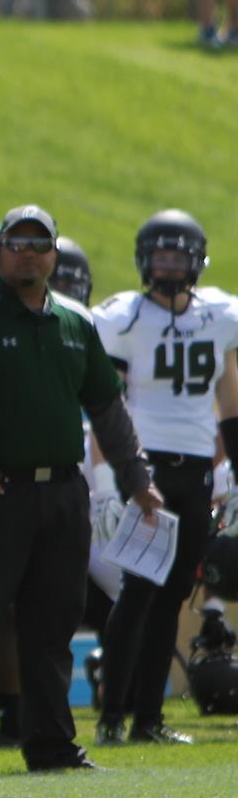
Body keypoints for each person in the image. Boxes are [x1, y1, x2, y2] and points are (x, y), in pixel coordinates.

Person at [0, 206, 165, 774]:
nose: (27, 254)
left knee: (54, 622)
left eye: (38, 245)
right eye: (15, 244)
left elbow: (106, 407)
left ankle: (51, 744)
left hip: (62, 490)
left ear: (54, 255)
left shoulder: (74, 321)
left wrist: (138, 479)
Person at [90, 211, 238, 745]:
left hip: (197, 468)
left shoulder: (220, 315)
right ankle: (112, 715)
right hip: (145, 466)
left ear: (197, 261)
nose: (168, 266)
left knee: (173, 595)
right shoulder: (124, 318)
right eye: (160, 257)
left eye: (178, 257)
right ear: (142, 260)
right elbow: (106, 403)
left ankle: (148, 719)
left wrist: (236, 475)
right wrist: (109, 477)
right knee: (136, 593)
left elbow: (229, 402)